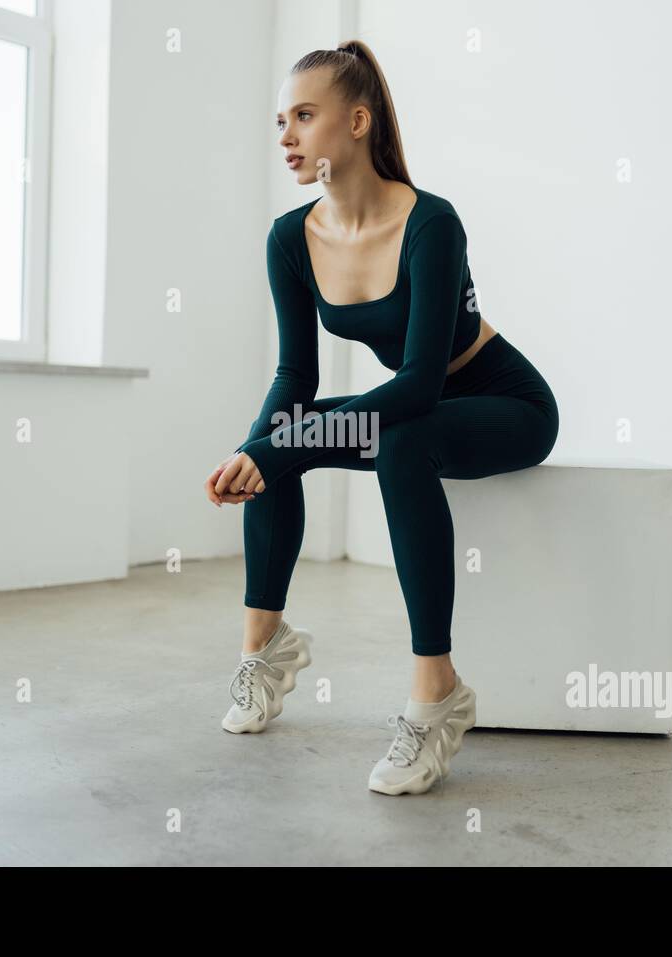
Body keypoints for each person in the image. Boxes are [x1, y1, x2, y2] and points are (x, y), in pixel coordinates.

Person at [203, 40, 559, 795]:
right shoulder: (290, 240)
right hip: (410, 407)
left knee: (389, 440)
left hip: (501, 401)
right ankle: (264, 648)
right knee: (272, 444)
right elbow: (296, 376)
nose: (287, 137)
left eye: (305, 115)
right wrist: (257, 449)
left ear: (357, 122)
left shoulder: (432, 223)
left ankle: (438, 691)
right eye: (281, 121)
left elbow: (423, 384)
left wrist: (283, 444)